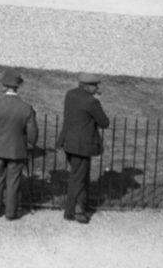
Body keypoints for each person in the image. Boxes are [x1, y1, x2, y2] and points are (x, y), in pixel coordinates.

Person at [0, 69, 37, 221]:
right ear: (17, 87)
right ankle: (10, 212)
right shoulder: (26, 108)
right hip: (16, 149)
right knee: (13, 182)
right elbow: (32, 133)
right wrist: (31, 143)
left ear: (4, 86)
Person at [58, 73, 109, 223]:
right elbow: (104, 123)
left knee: (80, 177)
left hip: (68, 141)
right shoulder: (91, 102)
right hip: (82, 146)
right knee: (78, 179)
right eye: (95, 85)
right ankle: (70, 212)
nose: (97, 88)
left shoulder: (70, 94)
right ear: (86, 86)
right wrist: (97, 102)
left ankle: (80, 209)